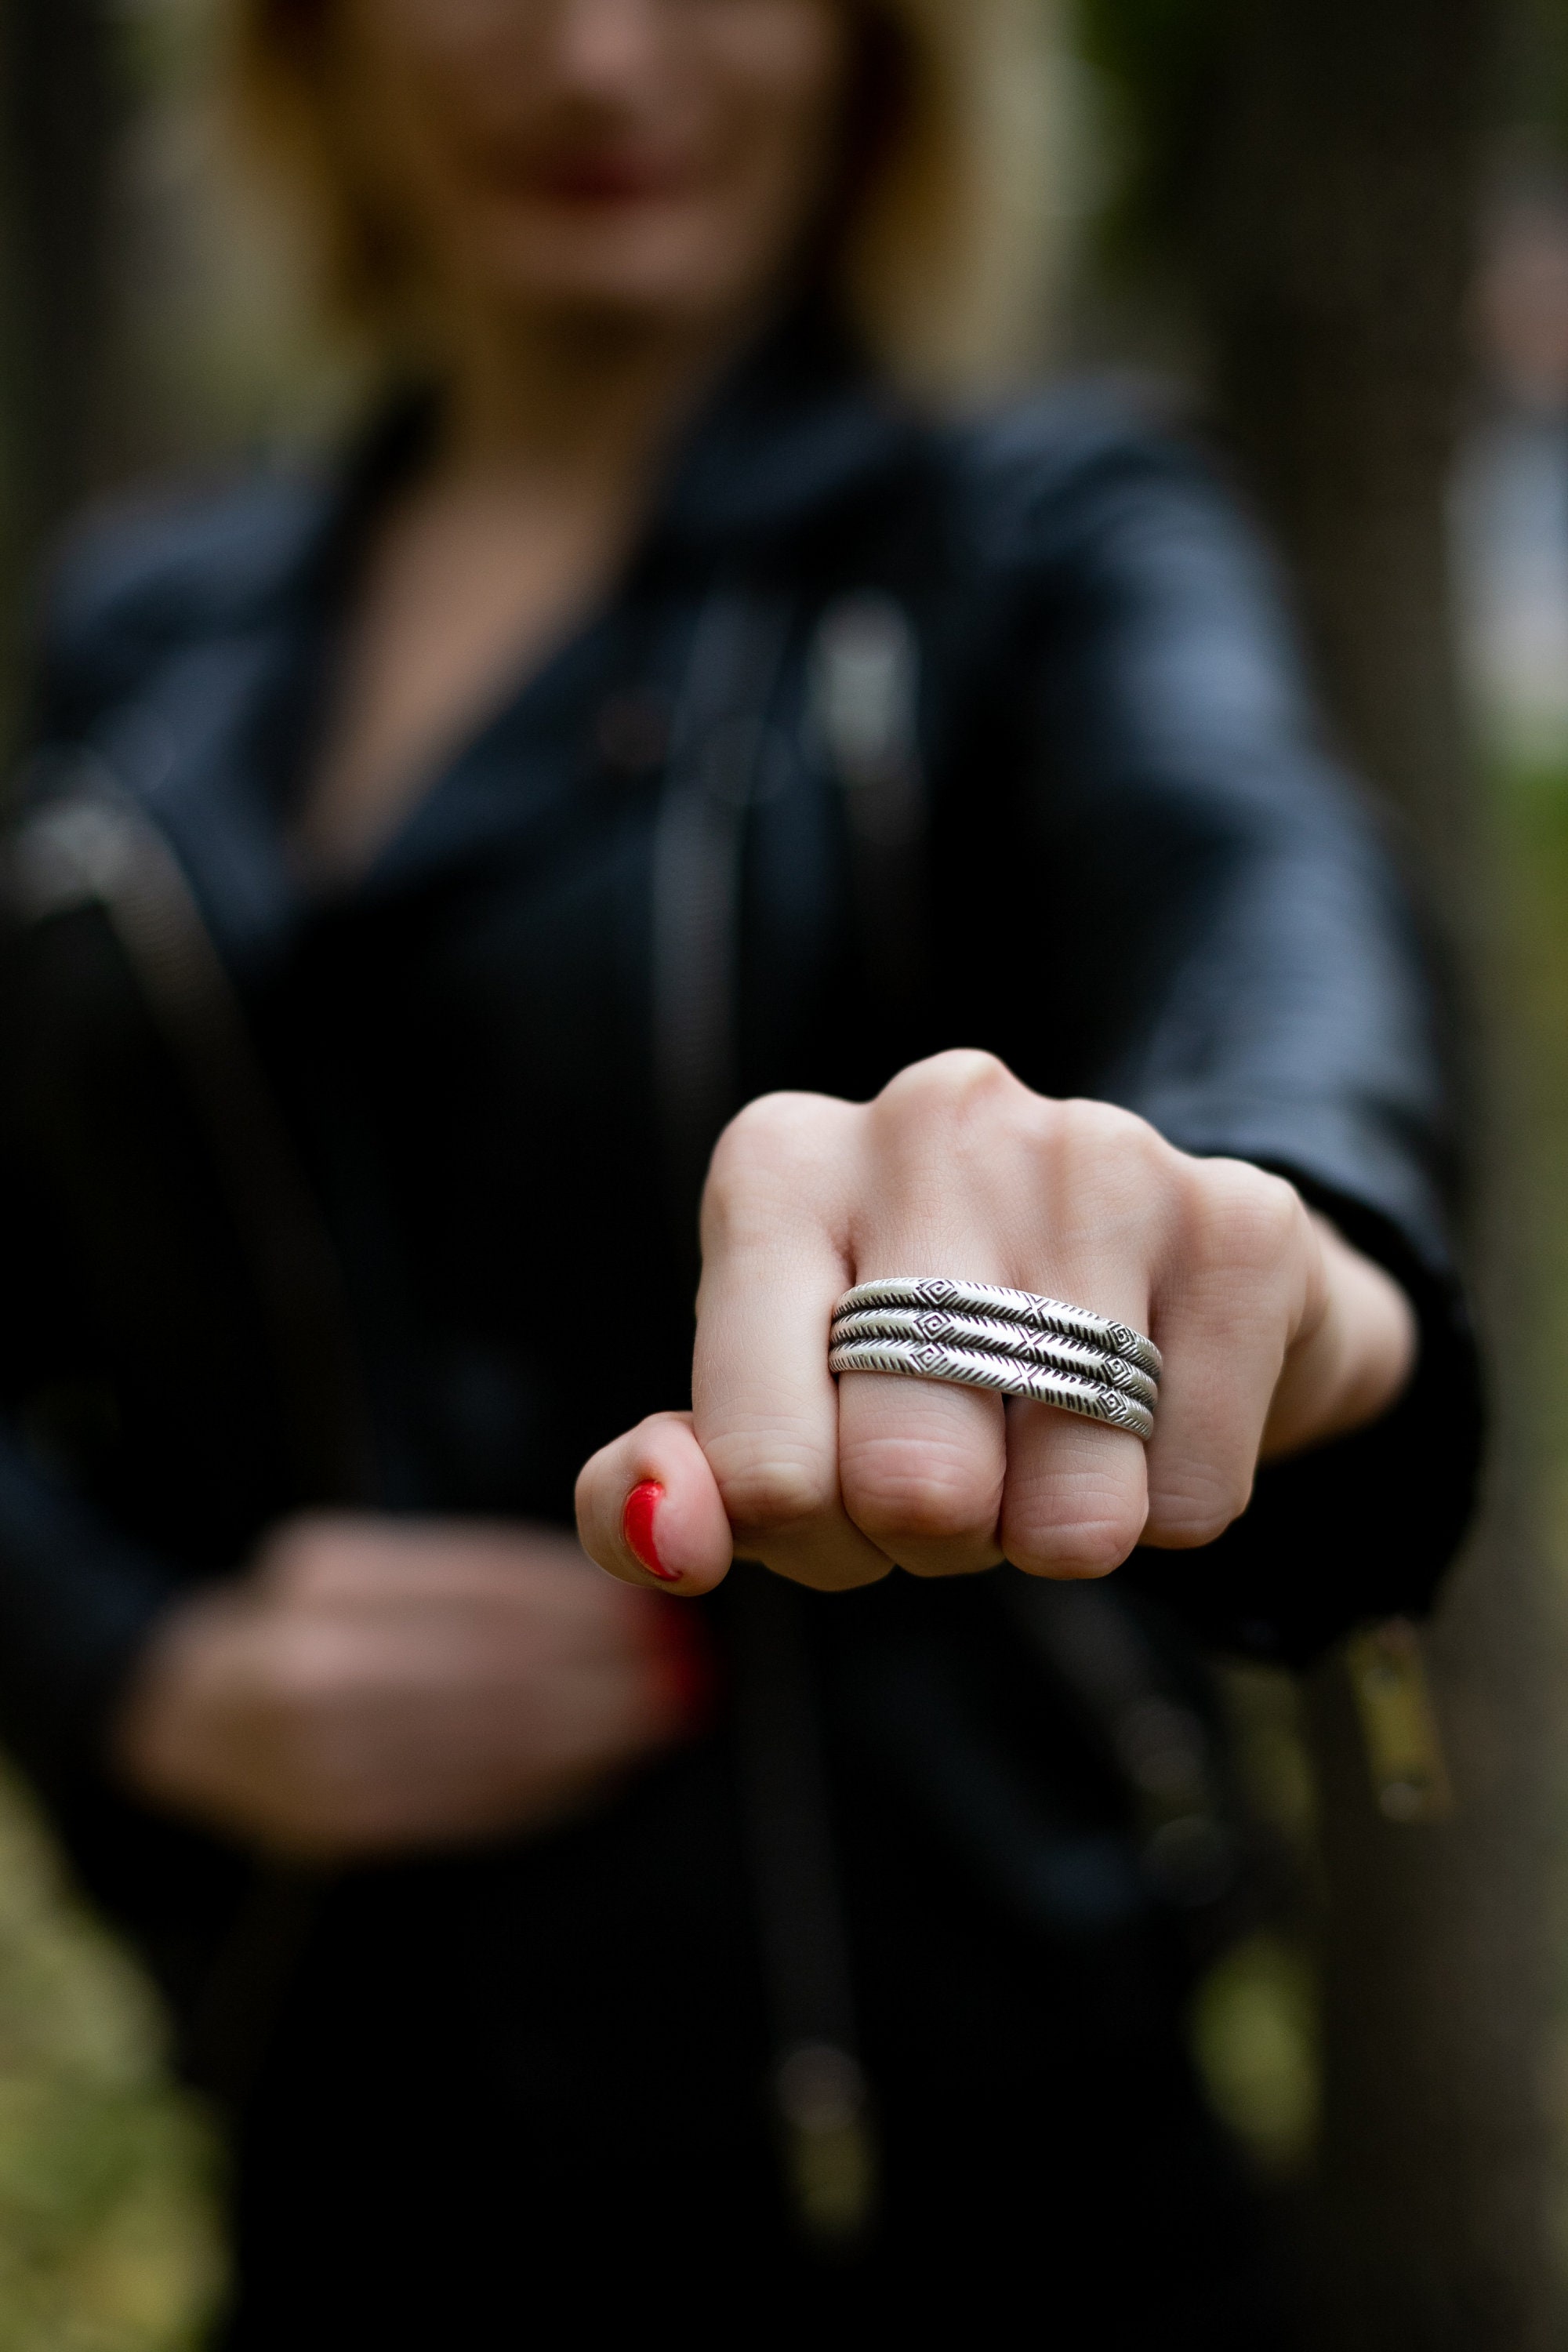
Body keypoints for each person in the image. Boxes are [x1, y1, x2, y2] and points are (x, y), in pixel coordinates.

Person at [0, 0, 1479, 2343]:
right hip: (340, 2198)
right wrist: (135, 1670)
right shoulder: (153, 631)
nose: (600, 60)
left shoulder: (1035, 546)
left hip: (977, 2225)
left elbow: (1253, 892)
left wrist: (1275, 1244)